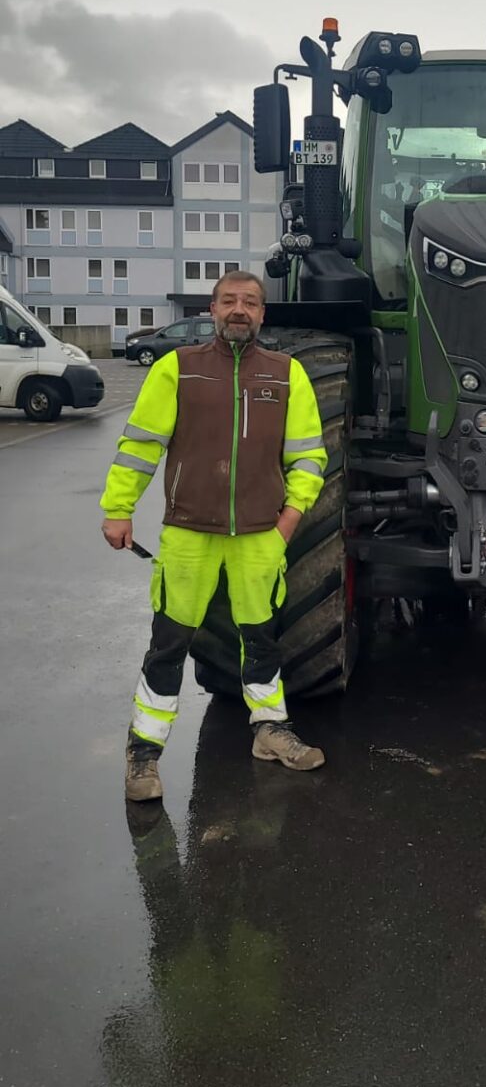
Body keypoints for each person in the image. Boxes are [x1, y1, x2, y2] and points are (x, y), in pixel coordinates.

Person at [100, 270, 329, 802]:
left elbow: (309, 457)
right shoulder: (175, 369)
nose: (239, 310)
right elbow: (140, 447)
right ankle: (144, 755)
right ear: (213, 307)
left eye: (250, 302)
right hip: (188, 533)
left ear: (263, 313)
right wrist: (118, 508)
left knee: (261, 637)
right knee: (170, 642)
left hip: (258, 536)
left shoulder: (286, 374)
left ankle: (269, 732)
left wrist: (288, 522)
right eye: (229, 300)